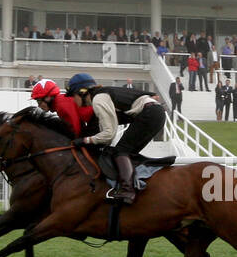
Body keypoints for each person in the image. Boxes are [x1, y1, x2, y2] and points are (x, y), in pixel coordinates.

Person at [66, 73, 164, 205]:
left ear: (82, 92)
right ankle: (134, 183)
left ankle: (127, 190)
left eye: (73, 96)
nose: (73, 100)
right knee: (125, 152)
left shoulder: (98, 99)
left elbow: (108, 135)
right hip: (154, 112)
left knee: (121, 151)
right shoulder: (102, 95)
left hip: (150, 113)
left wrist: (85, 141)